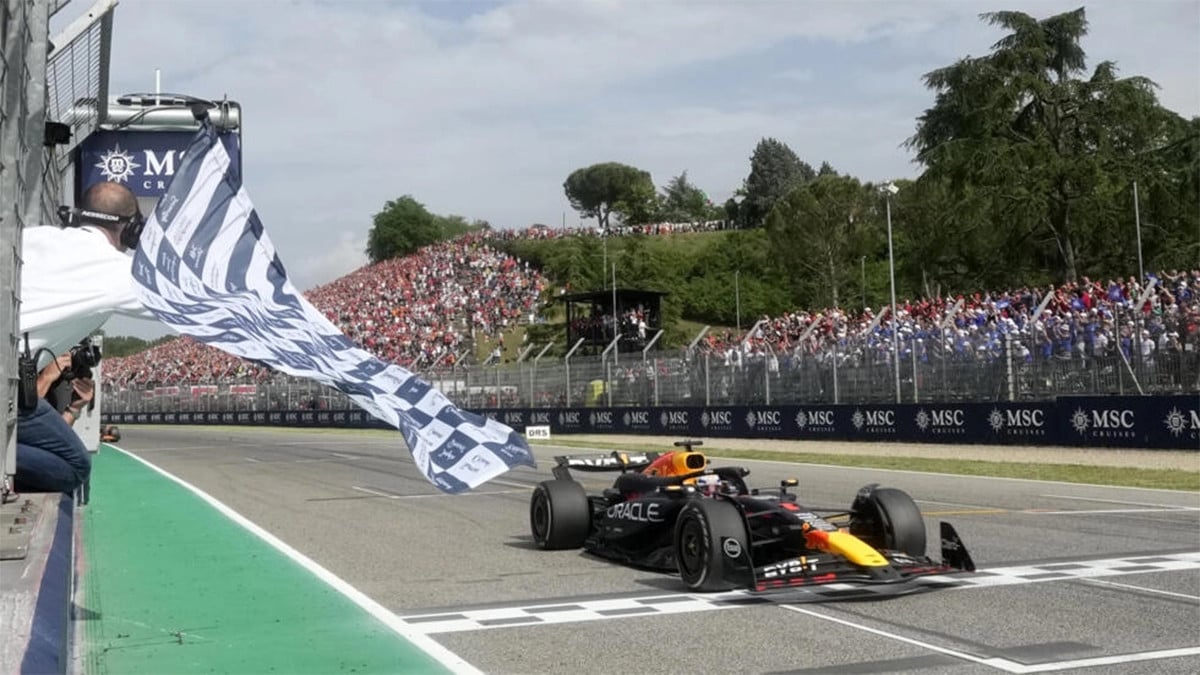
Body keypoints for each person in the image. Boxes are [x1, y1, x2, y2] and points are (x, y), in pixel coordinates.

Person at [14, 181, 153, 495]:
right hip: (7, 385)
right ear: (131, 229)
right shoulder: (119, 271)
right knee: (74, 466)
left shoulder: (32, 236)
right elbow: (185, 307)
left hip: (13, 380)